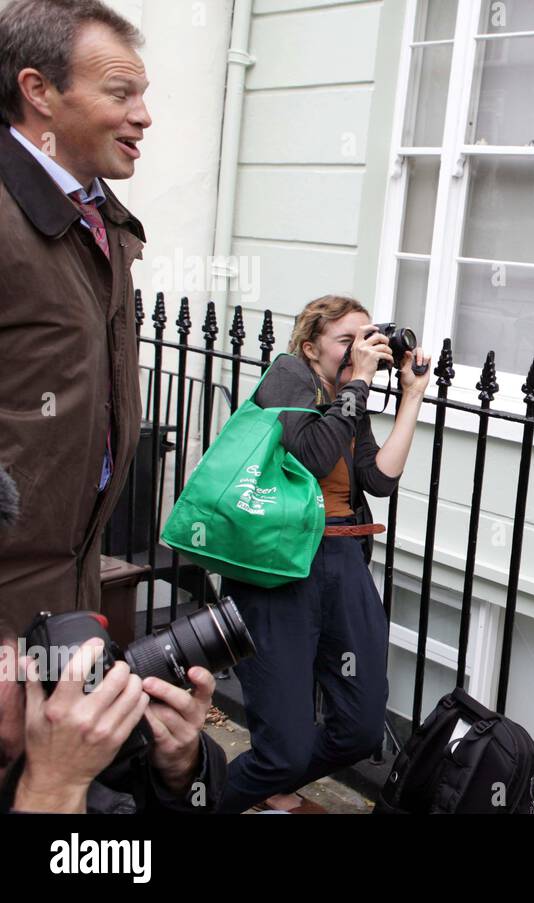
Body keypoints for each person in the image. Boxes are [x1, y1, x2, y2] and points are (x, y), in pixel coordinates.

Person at [217, 296, 430, 814]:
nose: (362, 350)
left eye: (367, 338)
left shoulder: (346, 402)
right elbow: (309, 456)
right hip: (278, 566)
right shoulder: (288, 376)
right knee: (283, 751)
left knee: (360, 731)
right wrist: (357, 383)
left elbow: (378, 479)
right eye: (347, 341)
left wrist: (412, 398)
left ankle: (271, 779)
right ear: (311, 347)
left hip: (342, 562)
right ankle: (200, 800)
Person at [0, 0, 151, 632]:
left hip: (70, 584)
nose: (143, 117)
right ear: (37, 90)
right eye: (121, 93)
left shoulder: (101, 219)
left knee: (60, 737)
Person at [0, 618, 226, 814]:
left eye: (26, 692)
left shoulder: (74, 735)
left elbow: (203, 802)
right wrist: (53, 789)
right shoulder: (61, 767)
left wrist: (185, 773)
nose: (49, 719)